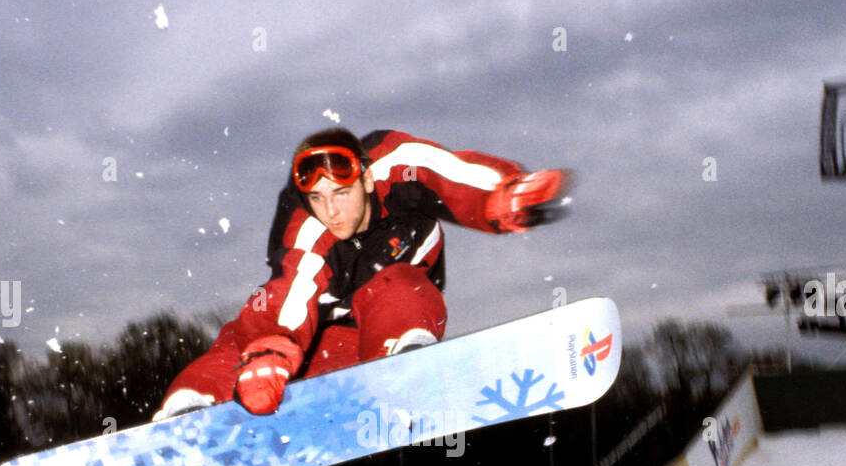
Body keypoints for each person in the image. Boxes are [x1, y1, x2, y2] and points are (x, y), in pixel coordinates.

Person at [155, 127, 568, 418]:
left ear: (366, 179)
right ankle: (191, 408)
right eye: (317, 198)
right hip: (322, 346)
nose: (330, 211)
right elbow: (289, 293)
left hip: (391, 326)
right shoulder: (307, 230)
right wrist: (270, 354)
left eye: (341, 194)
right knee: (244, 339)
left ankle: (402, 359)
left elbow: (445, 173)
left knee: (397, 282)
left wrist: (500, 195)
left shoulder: (396, 167)